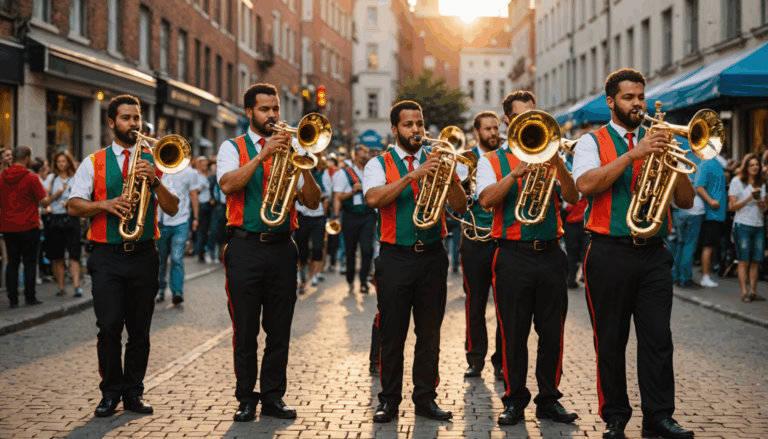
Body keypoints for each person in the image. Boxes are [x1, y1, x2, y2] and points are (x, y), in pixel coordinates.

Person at [572, 69, 696, 439]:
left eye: (641, 96)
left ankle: (659, 416)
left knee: (658, 339)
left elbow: (686, 201)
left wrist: (676, 158)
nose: (638, 104)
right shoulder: (590, 142)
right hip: (608, 252)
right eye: (629, 97)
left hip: (654, 254)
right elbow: (586, 184)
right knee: (610, 340)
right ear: (611, 102)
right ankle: (615, 416)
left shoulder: (660, 138)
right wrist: (635, 153)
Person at [68, 94, 179, 417]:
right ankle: (110, 392)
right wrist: (104, 205)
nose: (134, 123)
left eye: (137, 117)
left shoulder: (155, 158)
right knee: (109, 327)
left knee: (140, 330)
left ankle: (133, 393)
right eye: (127, 118)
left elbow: (173, 207)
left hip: (145, 254)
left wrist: (155, 181)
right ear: (111, 122)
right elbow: (73, 205)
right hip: (106, 255)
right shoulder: (94, 161)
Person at [217, 83, 321, 422]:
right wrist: (262, 156)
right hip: (244, 246)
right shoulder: (232, 147)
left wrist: (301, 162)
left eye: (275, 109)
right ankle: (246, 397)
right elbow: (228, 185)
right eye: (265, 110)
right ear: (249, 112)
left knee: (280, 329)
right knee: (245, 330)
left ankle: (273, 396)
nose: (273, 115)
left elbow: (312, 201)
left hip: (281, 248)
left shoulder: (293, 149)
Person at [476, 91, 580, 427]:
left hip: (551, 254)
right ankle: (514, 400)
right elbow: (487, 200)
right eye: (521, 118)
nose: (529, 122)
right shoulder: (490, 160)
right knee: (514, 334)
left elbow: (573, 196)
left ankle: (549, 399)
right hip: (512, 256)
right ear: (509, 120)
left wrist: (558, 162)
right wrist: (515, 174)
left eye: (533, 115)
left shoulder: (550, 154)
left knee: (552, 333)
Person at [363, 100, 467, 423]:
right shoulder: (378, 164)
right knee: (393, 335)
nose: (416, 130)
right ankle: (389, 401)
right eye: (408, 125)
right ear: (395, 129)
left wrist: (450, 178)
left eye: (419, 124)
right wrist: (413, 175)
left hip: (433, 256)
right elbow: (373, 199)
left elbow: (461, 208)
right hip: (395, 258)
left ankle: (425, 398)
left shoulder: (439, 161)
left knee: (430, 335)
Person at [461, 110, 502, 381]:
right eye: (487, 129)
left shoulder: (506, 156)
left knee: (504, 304)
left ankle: (501, 361)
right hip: (474, 240)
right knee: (475, 302)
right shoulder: (465, 159)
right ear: (477, 132)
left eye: (496, 128)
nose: (493, 134)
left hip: (501, 238)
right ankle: (475, 359)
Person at [0, 146, 58, 308]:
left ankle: (12, 299)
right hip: (28, 224)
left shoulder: (3, 176)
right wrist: (54, 195)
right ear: (26, 158)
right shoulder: (31, 177)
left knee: (12, 262)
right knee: (29, 262)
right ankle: (30, 297)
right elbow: (44, 202)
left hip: (8, 225)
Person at [333, 144, 375, 293]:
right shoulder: (344, 173)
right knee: (350, 251)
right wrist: (352, 191)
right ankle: (350, 279)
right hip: (350, 216)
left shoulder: (372, 172)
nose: (367, 154)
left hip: (368, 215)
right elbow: (338, 196)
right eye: (364, 152)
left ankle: (363, 281)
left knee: (367, 250)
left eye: (368, 151)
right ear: (355, 156)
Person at [156, 163, 200, 305]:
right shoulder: (158, 169)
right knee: (160, 259)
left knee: (176, 258)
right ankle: (160, 290)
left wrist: (196, 218)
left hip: (181, 220)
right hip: (161, 221)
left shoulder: (190, 172)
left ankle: (177, 292)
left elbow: (193, 195)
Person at [728, 153, 767, 302]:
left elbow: (764, 210)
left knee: (756, 260)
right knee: (744, 260)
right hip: (742, 224)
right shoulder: (737, 182)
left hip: (759, 225)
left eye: (757, 165)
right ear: (746, 167)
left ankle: (754, 291)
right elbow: (732, 206)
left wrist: (761, 204)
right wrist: (750, 197)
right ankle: (744, 292)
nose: (755, 167)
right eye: (752, 165)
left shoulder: (762, 183)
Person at [44, 151, 84, 297]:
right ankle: (61, 287)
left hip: (72, 218)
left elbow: (83, 196)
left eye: (64, 161)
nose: (61, 164)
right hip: (56, 218)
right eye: (59, 161)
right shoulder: (51, 178)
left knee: (74, 255)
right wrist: (57, 194)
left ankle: (76, 286)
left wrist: (70, 202)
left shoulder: (76, 178)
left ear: (69, 162)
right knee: (57, 256)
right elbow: (45, 200)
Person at [295, 159, 331, 292]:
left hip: (318, 217)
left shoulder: (323, 174)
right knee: (301, 248)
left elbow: (327, 194)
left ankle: (314, 275)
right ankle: (302, 272)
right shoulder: (298, 171)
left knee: (317, 248)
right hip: (303, 216)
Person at [694, 153, 727, 288]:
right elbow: (699, 186)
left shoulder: (716, 163)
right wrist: (710, 201)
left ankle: (707, 275)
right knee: (708, 246)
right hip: (711, 214)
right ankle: (705, 276)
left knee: (712, 246)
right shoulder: (706, 163)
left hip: (717, 214)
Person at [194, 156, 213, 263]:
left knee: (206, 230)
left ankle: (202, 252)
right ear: (199, 164)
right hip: (201, 205)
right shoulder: (196, 174)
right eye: (204, 164)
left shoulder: (205, 175)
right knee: (202, 230)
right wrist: (199, 189)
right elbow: (194, 190)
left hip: (207, 204)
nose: (205, 166)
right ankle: (200, 253)